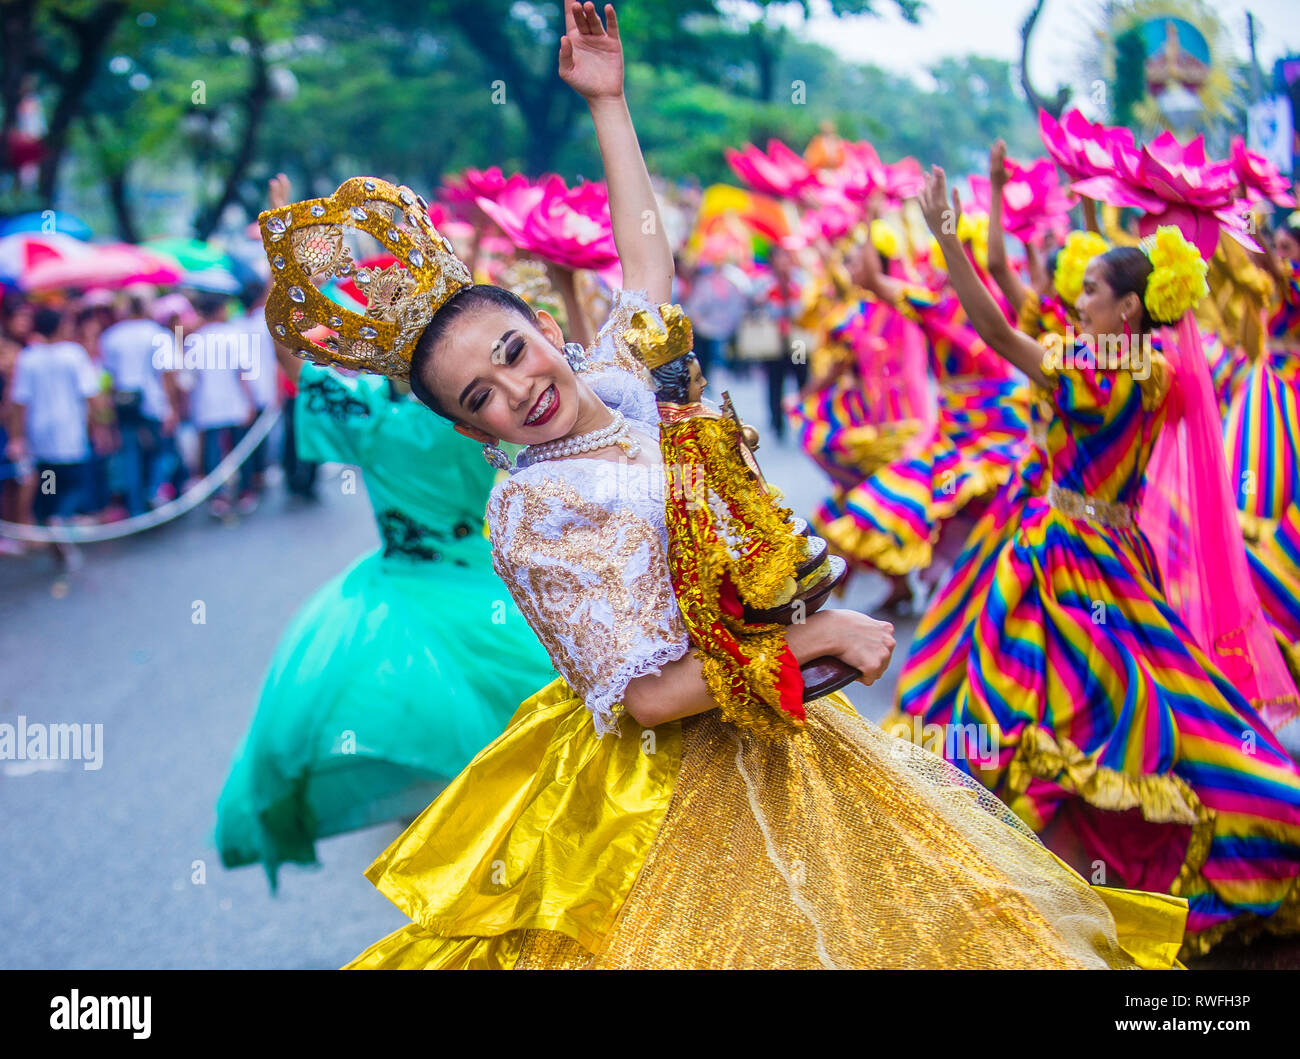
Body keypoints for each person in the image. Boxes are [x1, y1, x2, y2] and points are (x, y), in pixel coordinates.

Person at [295, 5, 1186, 969]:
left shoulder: (619, 385)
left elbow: (648, 262)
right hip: (680, 789)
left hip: (779, 714)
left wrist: (610, 101)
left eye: (516, 350)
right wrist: (813, 638)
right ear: (472, 429)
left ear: (547, 326)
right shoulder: (532, 512)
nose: (520, 388)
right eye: (484, 395)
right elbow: (642, 699)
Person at [895, 164, 1300, 959]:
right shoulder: (1154, 371)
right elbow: (1021, 306)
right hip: (1109, 556)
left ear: (1125, 307)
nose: (1077, 299)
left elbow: (999, 332)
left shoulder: (1098, 376)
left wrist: (948, 241)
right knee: (1109, 710)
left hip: (1068, 563)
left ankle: (1068, 896)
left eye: (1091, 291)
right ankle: (1065, 886)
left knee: (1048, 713)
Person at [215, 177, 557, 888]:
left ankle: (451, 879)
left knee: (430, 755)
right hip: (488, 592)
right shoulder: (476, 410)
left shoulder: (371, 413)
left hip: (398, 599)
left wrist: (295, 260)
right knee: (517, 749)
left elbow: (296, 363)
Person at [7, 305, 100, 525]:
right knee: (75, 482)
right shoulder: (74, 354)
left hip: (40, 433)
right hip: (71, 430)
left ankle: (51, 517)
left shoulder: (29, 357)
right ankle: (61, 516)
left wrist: (17, 437)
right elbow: (90, 394)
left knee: (50, 480)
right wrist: (101, 424)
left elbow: (19, 402)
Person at [98, 289, 180, 515]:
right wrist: (171, 407)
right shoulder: (158, 334)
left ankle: (135, 508)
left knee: (130, 456)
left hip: (123, 403)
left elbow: (107, 377)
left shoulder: (112, 336)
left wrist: (107, 410)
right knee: (161, 451)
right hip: (154, 403)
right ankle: (155, 491)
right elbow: (167, 374)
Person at [185, 292, 259, 517]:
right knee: (240, 449)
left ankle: (218, 497)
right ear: (218, 310)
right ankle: (245, 491)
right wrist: (250, 401)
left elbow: (189, 378)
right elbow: (243, 372)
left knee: (212, 451)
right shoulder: (233, 334)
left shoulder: (194, 340)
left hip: (206, 404)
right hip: (233, 401)